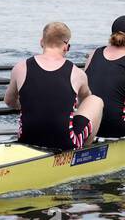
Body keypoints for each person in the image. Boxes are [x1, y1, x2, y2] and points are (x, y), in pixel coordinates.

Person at [5, 21, 102, 150]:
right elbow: (85, 101)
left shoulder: (20, 67)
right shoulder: (77, 73)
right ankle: (84, 152)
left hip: (26, 139)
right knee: (95, 101)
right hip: (65, 143)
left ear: (41, 42)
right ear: (66, 46)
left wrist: (33, 104)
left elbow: (9, 101)